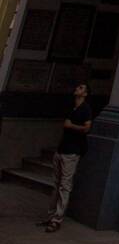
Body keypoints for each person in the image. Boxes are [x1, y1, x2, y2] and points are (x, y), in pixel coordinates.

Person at [41, 81, 92, 232]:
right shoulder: (72, 107)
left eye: (81, 88)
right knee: (56, 184)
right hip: (61, 150)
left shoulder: (86, 109)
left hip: (72, 152)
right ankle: (51, 216)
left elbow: (87, 128)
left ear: (85, 94)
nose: (77, 88)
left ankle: (57, 219)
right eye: (78, 86)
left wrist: (71, 126)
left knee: (64, 186)